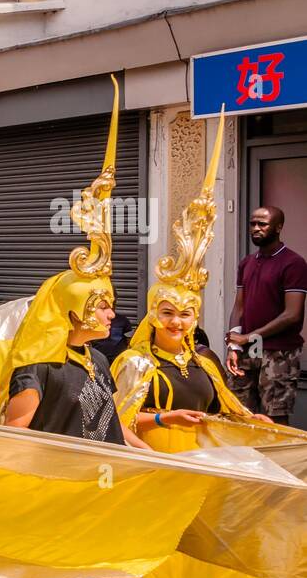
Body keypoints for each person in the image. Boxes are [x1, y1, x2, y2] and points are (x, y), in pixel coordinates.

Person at [2, 76, 147, 449]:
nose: (112, 315)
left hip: (107, 481)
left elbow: (112, 426)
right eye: (101, 307)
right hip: (60, 489)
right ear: (72, 310)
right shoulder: (36, 367)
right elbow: (13, 437)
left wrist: (161, 460)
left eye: (110, 306)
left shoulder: (98, 359)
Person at [114, 117, 272, 451]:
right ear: (154, 314)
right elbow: (112, 419)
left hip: (199, 464)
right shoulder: (136, 362)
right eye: (168, 312)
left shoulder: (206, 360)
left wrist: (247, 418)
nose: (177, 322)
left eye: (186, 314)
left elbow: (216, 413)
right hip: (151, 462)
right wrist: (162, 419)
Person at [225, 205, 307, 425]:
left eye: (263, 224)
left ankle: (275, 461)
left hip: (278, 351)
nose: (256, 228)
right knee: (239, 414)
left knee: (274, 418)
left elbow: (293, 314)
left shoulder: (293, 263)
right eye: (253, 223)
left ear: (278, 227)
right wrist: (234, 343)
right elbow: (239, 306)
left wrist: (249, 336)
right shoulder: (247, 263)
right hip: (248, 350)